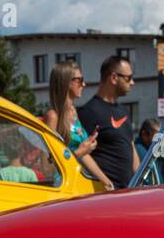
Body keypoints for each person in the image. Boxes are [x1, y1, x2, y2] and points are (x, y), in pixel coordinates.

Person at [42, 60, 112, 188]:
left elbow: (84, 156)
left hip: (75, 183)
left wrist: (107, 182)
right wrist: (80, 152)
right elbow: (47, 168)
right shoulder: (53, 117)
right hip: (60, 188)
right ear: (66, 82)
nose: (84, 84)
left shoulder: (73, 112)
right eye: (79, 80)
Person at [76, 54, 139, 190]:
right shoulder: (88, 112)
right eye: (128, 78)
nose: (132, 83)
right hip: (105, 196)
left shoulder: (123, 111)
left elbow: (131, 148)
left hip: (129, 192)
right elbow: (83, 154)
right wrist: (107, 183)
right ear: (114, 77)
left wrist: (140, 181)